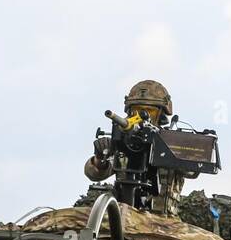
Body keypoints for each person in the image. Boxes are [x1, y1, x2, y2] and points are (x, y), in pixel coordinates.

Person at [84, 79, 197, 217]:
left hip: (164, 224)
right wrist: (100, 158)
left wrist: (168, 150)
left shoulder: (171, 143)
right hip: (124, 218)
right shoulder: (125, 143)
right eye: (137, 111)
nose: (143, 116)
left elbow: (192, 171)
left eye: (150, 111)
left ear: (161, 115)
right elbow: (94, 174)